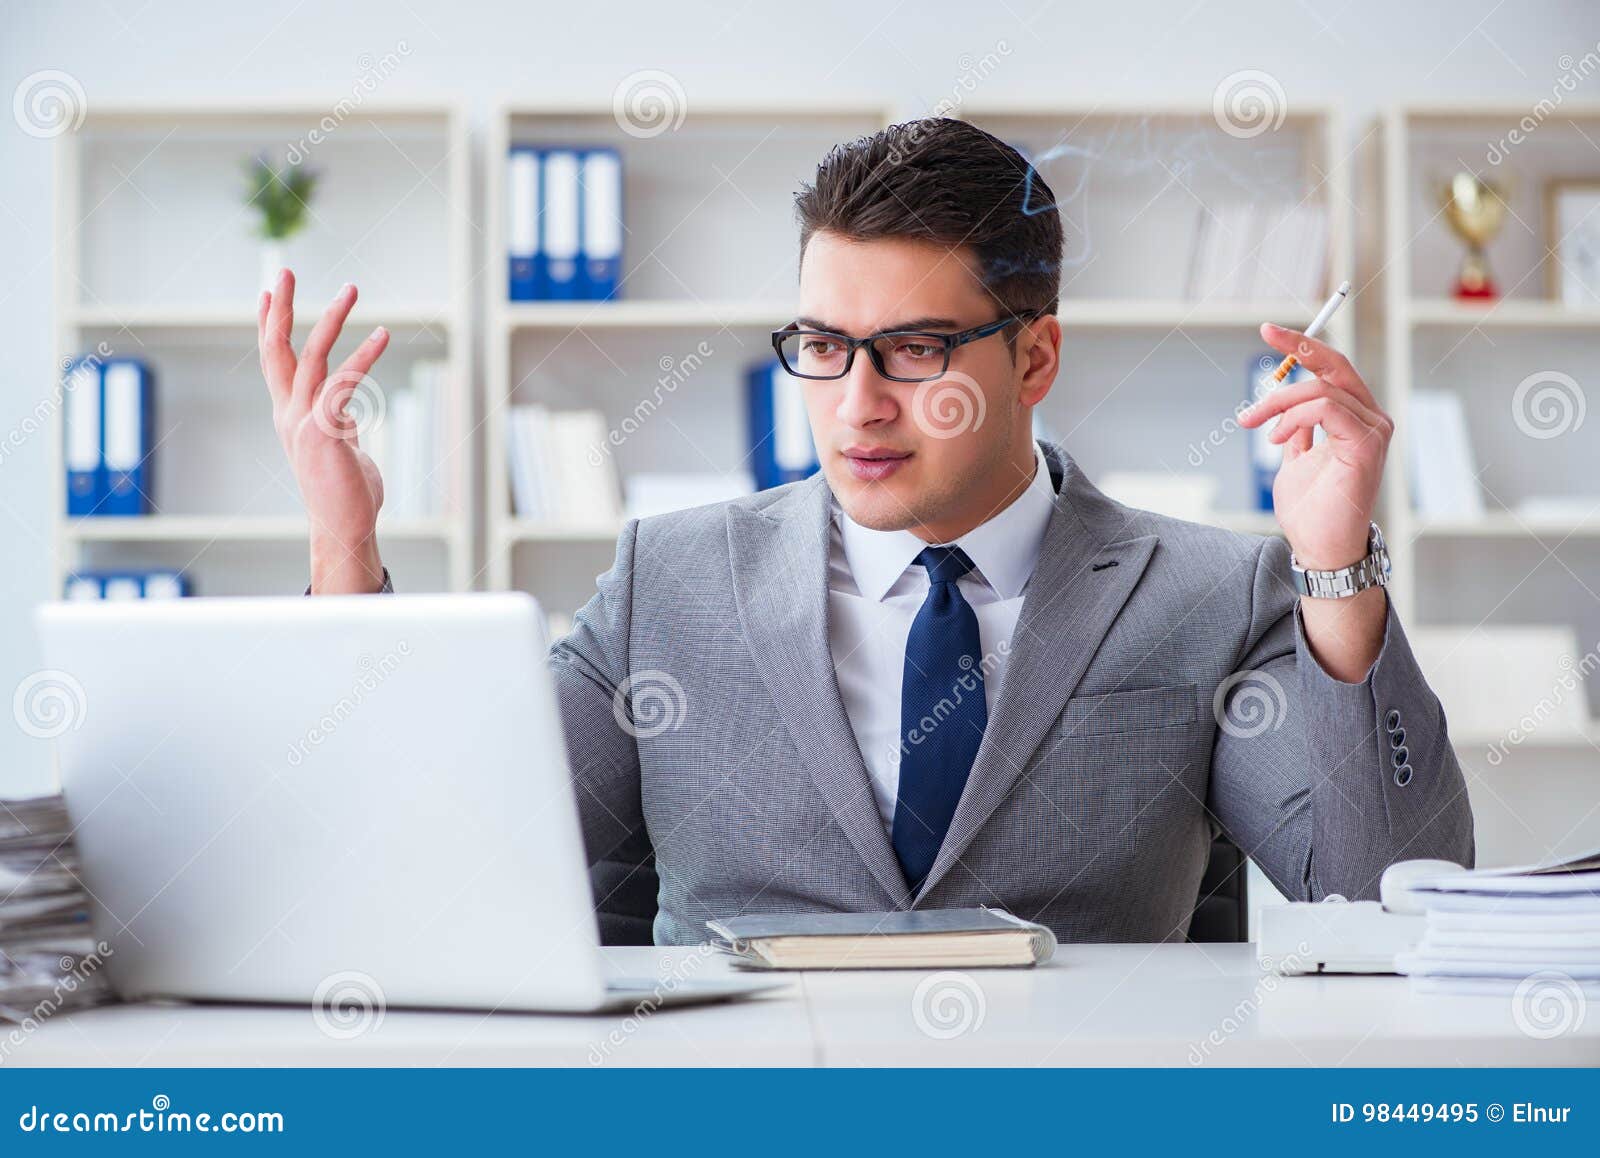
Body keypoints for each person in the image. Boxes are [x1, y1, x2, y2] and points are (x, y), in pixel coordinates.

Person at [257, 117, 1473, 945]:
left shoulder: (1207, 592)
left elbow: (1384, 895)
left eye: (914, 350)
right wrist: (343, 552)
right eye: (823, 348)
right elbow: (436, 855)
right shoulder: (668, 582)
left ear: (1034, 357)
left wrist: (1334, 567)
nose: (857, 406)